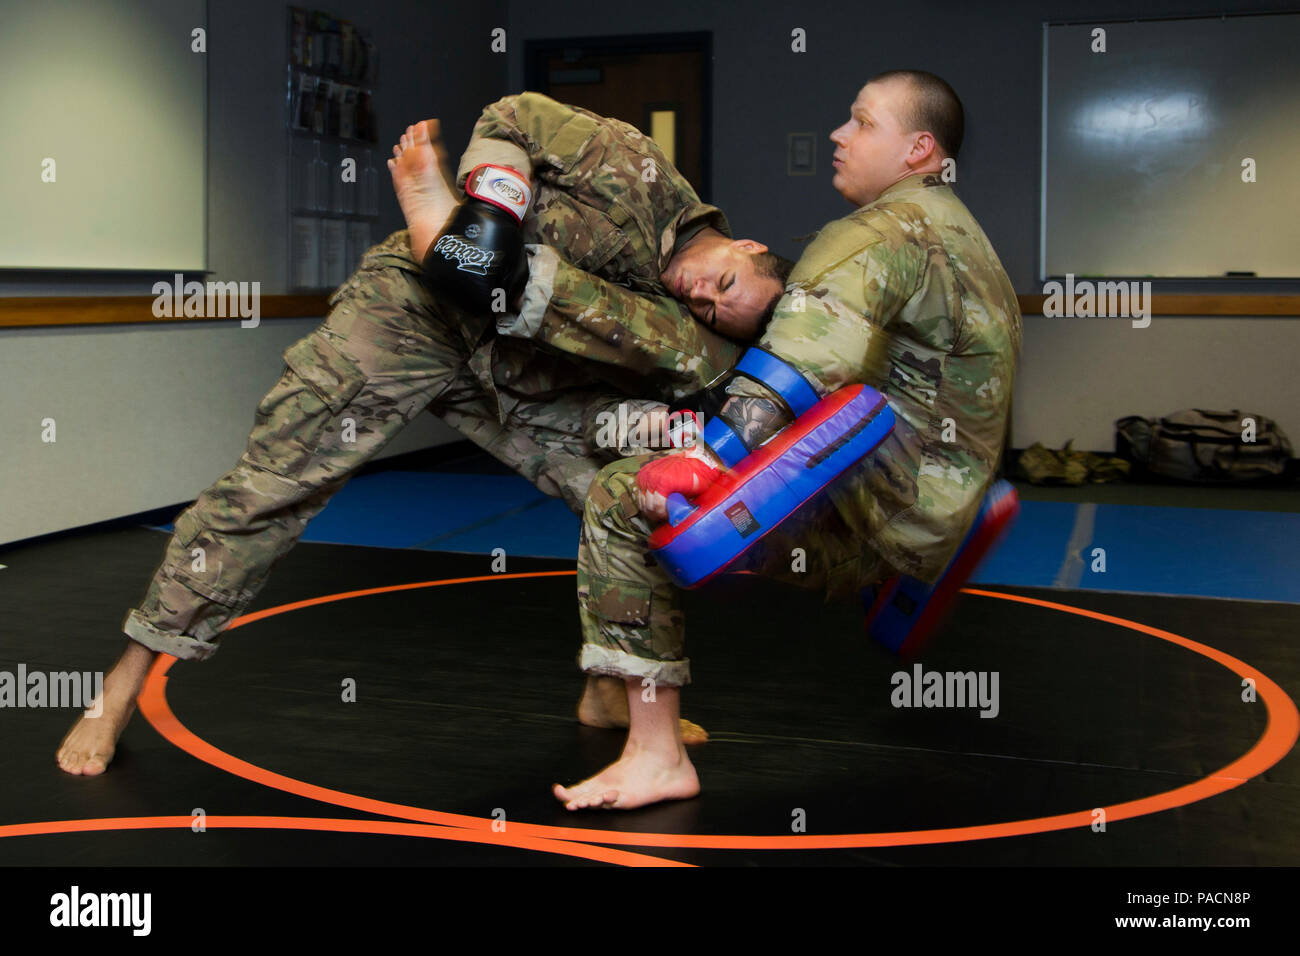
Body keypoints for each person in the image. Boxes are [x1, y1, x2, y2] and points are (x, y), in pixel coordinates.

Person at [57, 92, 793, 775]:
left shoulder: (684, 329)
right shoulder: (637, 171)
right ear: (745, 243)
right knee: (271, 485)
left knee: (629, 499)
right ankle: (117, 689)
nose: (701, 296)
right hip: (410, 315)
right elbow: (515, 117)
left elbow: (652, 384)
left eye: (714, 310)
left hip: (526, 372)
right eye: (723, 284)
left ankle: (611, 686)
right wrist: (496, 198)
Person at [555, 70, 1023, 810]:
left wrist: (700, 461)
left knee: (625, 495)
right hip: (942, 499)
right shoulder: (960, 231)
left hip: (879, 513)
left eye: (863, 122)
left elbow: (798, 368)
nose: (839, 135)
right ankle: (611, 694)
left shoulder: (880, 233)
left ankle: (656, 755)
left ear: (918, 148)